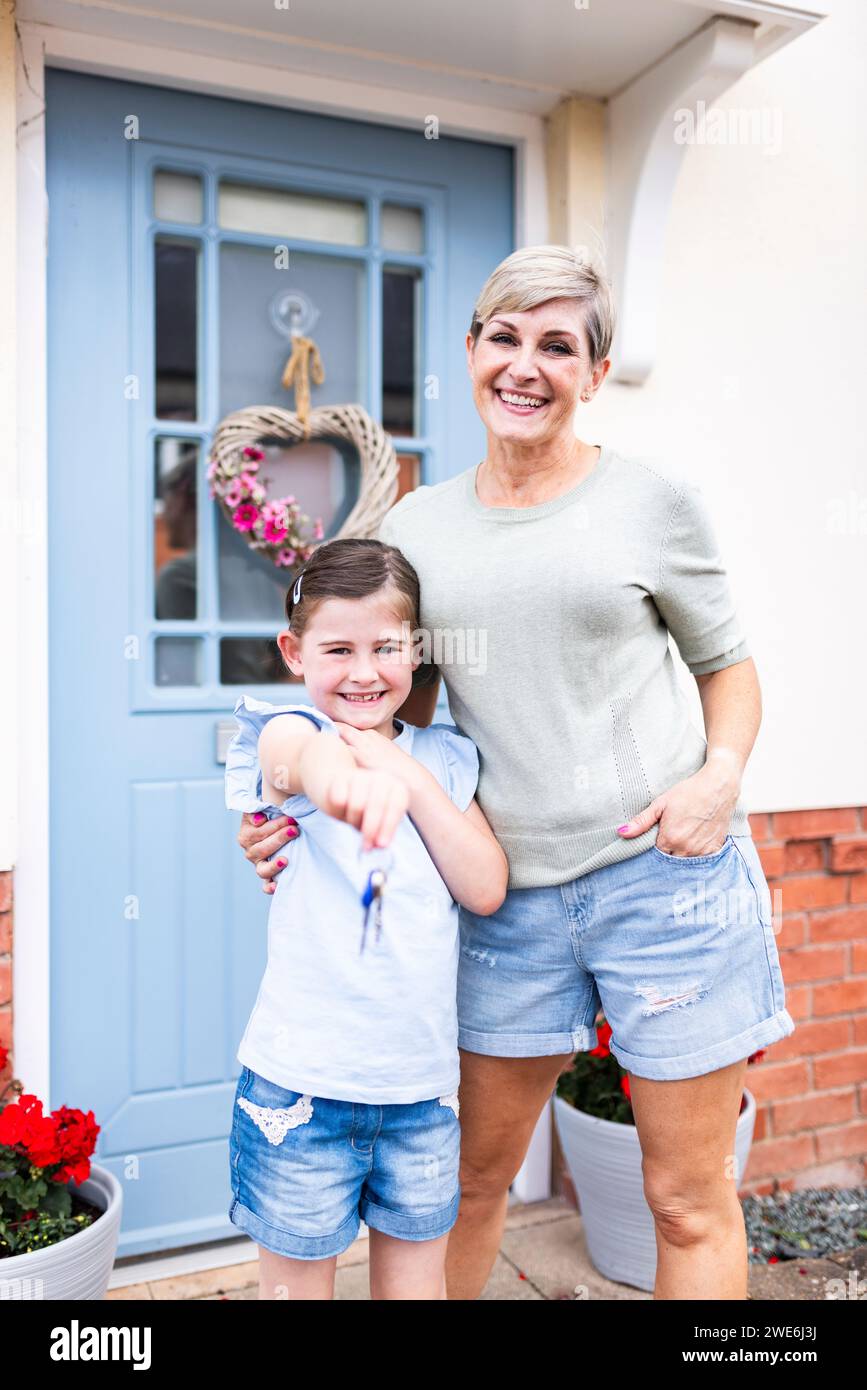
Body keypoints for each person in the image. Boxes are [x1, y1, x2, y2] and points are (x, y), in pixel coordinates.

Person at [238, 244, 795, 1301]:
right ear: (472, 351)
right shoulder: (416, 528)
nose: (526, 366)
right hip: (501, 905)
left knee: (685, 1197)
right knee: (469, 1181)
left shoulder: (652, 503)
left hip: (663, 882)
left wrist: (719, 776)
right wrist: (292, 803)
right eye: (506, 338)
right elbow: (387, 718)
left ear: (592, 372)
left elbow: (730, 669)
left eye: (558, 345)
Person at [224, 536, 508, 1300]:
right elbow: (295, 761)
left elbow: (483, 886)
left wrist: (404, 778)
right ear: (294, 652)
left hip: (420, 1093)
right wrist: (345, 787)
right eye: (336, 648)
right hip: (299, 1092)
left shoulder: (443, 760)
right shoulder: (285, 734)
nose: (361, 671)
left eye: (384, 647)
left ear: (415, 651)